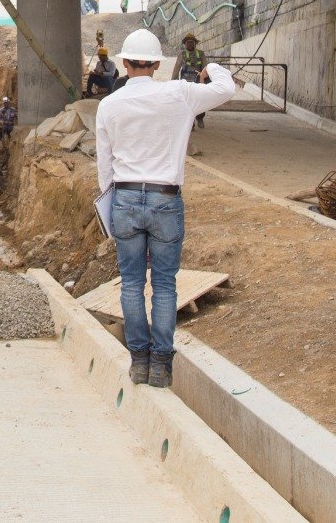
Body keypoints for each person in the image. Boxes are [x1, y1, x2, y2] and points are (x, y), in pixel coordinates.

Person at [97, 30, 234, 389]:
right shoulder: (179, 94)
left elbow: (104, 168)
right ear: (157, 64)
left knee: (130, 284)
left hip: (125, 198)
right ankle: (161, 366)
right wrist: (211, 67)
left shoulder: (109, 105)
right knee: (164, 285)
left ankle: (138, 362)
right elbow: (226, 88)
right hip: (165, 199)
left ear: (124, 64)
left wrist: (112, 209)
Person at [173, 33, 209, 129]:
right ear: (185, 44)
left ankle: (200, 118)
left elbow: (206, 67)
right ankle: (190, 123)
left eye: (191, 42)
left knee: (200, 101)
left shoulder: (201, 54)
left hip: (198, 82)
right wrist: (174, 82)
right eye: (188, 42)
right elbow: (176, 68)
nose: (189, 44)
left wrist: (205, 80)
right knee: (187, 103)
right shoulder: (182, 54)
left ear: (195, 44)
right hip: (185, 83)